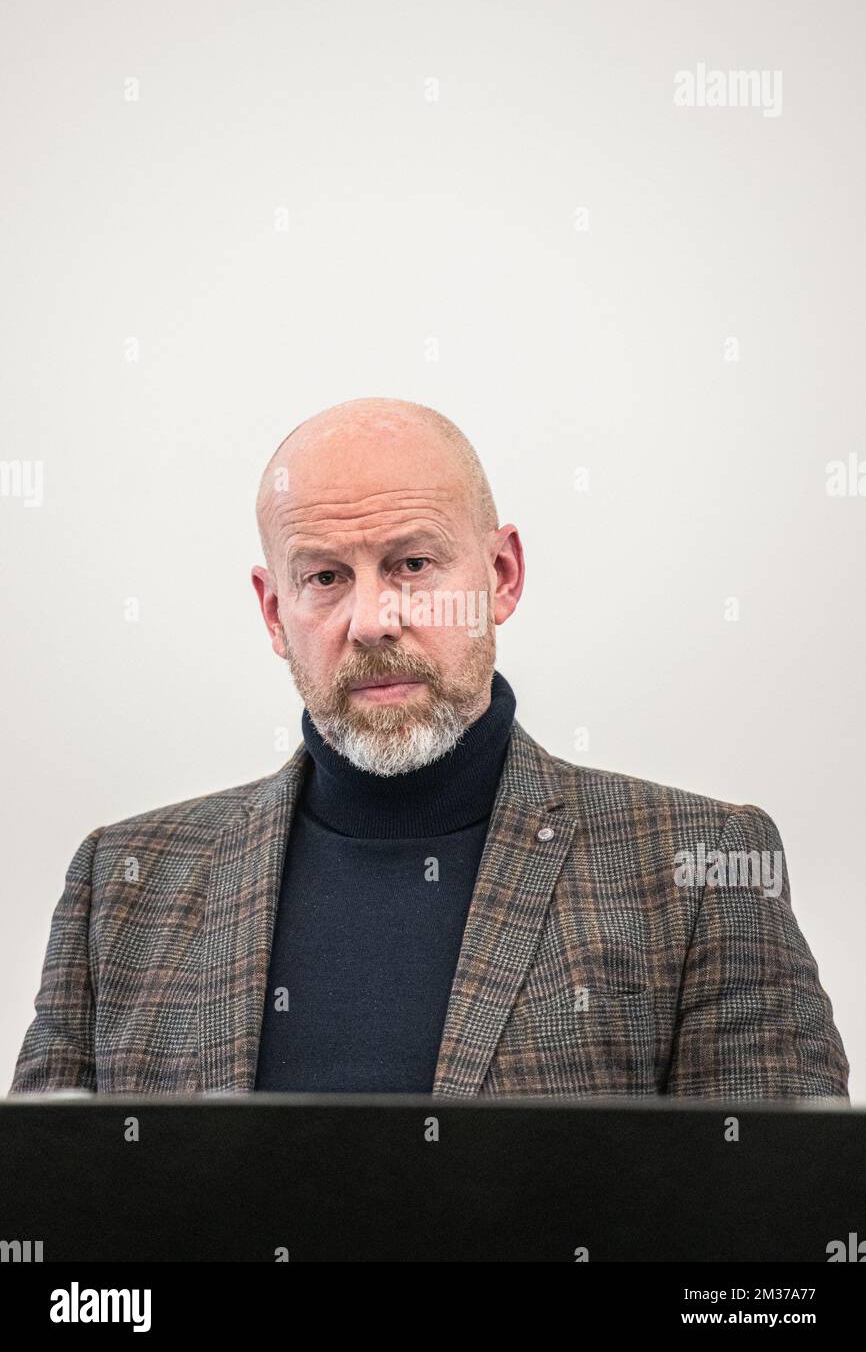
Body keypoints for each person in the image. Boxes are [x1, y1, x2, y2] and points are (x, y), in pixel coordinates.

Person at [9, 397, 849, 1099]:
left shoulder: (700, 867)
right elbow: (55, 1238)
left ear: (503, 576)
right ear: (274, 613)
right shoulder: (117, 888)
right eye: (325, 577)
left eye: (411, 564)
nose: (373, 621)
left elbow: (774, 1265)